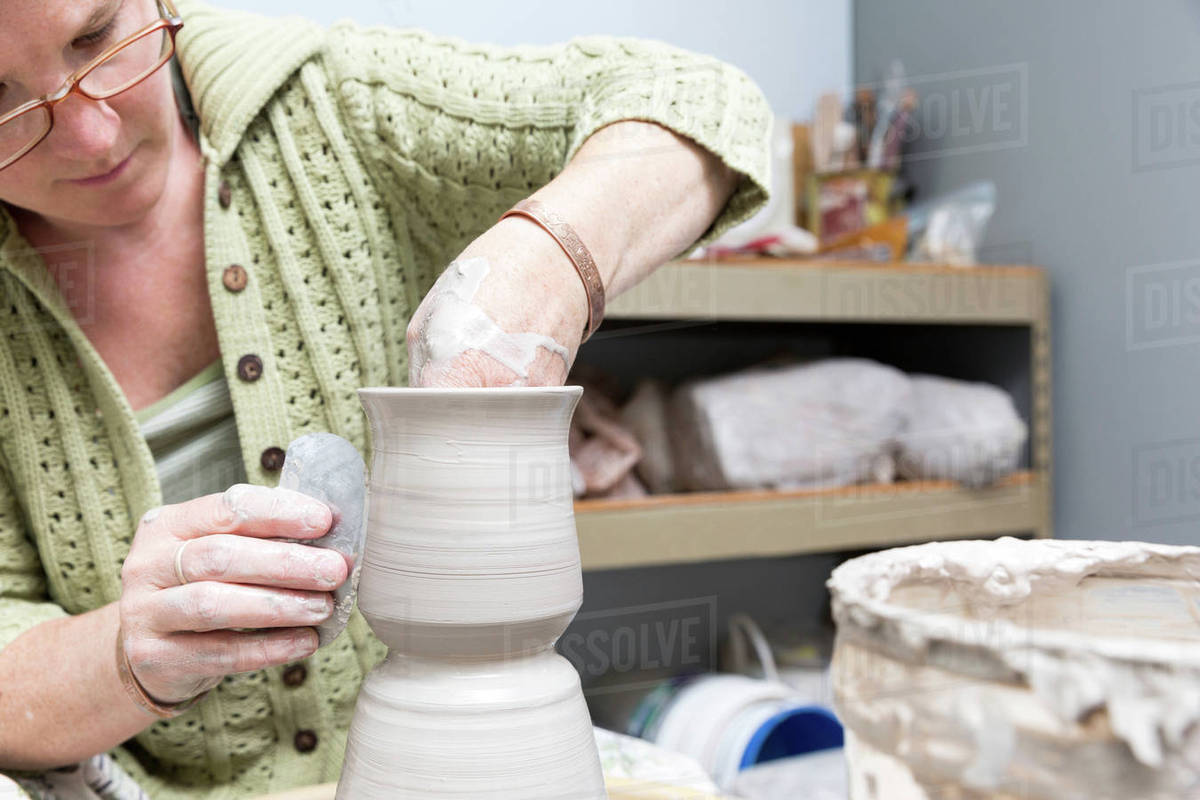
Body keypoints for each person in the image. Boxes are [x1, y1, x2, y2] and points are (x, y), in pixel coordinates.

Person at [0, 0, 769, 795]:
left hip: (466, 757)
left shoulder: (334, 108)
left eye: (97, 38)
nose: (92, 135)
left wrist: (554, 256)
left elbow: (696, 99)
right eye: (0, 99)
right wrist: (123, 657)